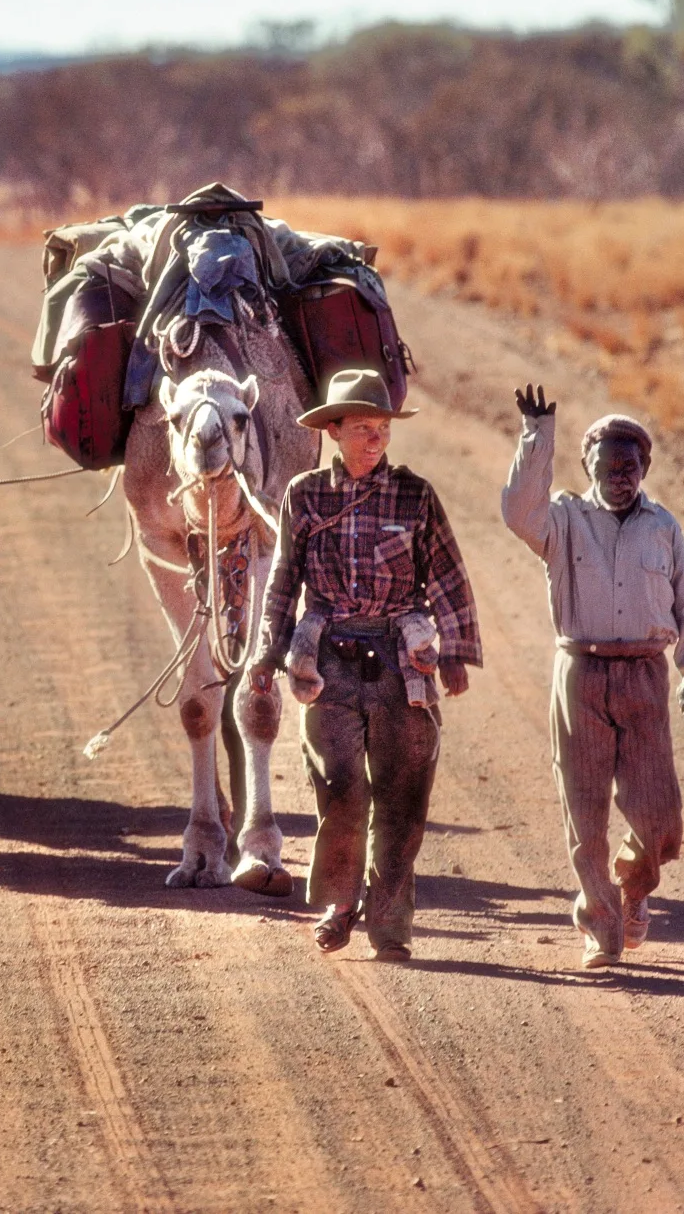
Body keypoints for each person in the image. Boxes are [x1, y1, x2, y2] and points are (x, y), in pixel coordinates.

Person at [248, 368, 482, 962]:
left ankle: (390, 924)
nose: (375, 439)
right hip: (327, 660)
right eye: (362, 429)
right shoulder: (305, 495)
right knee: (341, 788)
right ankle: (337, 904)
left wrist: (454, 654)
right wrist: (265, 654)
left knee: (404, 797)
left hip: (402, 661)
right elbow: (282, 582)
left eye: (382, 428)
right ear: (333, 432)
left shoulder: (416, 495)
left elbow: (449, 576)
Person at [499, 384, 684, 969]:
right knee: (584, 810)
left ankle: (632, 885)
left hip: (645, 675)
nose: (620, 475)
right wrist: (536, 433)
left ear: (645, 467)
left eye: (631, 465)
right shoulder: (563, 520)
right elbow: (517, 510)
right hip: (581, 672)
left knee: (660, 820)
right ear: (587, 465)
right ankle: (600, 925)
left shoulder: (662, 528)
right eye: (608, 464)